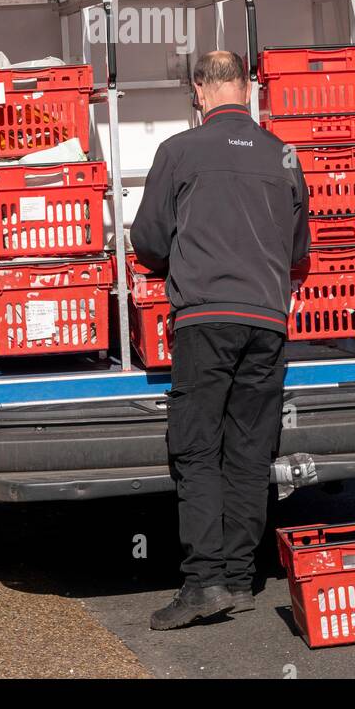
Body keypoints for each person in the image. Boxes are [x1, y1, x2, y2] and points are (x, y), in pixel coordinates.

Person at [131, 49, 311, 631]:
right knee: (251, 447)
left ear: (200, 90)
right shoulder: (283, 155)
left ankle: (203, 581)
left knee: (197, 446)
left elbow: (148, 241)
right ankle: (239, 577)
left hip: (205, 320)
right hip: (267, 320)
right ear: (247, 88)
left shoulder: (179, 151)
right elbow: (299, 255)